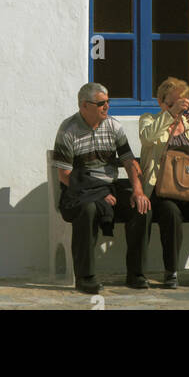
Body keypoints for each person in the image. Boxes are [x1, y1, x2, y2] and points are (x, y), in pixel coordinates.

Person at [53, 82, 152, 293]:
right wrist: (97, 194)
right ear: (84, 106)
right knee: (88, 210)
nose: (106, 107)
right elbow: (65, 175)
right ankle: (85, 277)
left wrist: (138, 190)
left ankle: (136, 274)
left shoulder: (114, 126)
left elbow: (129, 161)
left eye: (108, 102)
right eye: (101, 104)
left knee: (141, 208)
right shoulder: (68, 130)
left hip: (110, 189)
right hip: (78, 193)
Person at [138, 76, 189, 289]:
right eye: (171, 103)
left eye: (181, 103)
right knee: (170, 213)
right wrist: (170, 115)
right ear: (161, 102)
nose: (177, 108)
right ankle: (171, 271)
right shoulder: (150, 119)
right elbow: (147, 137)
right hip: (161, 189)